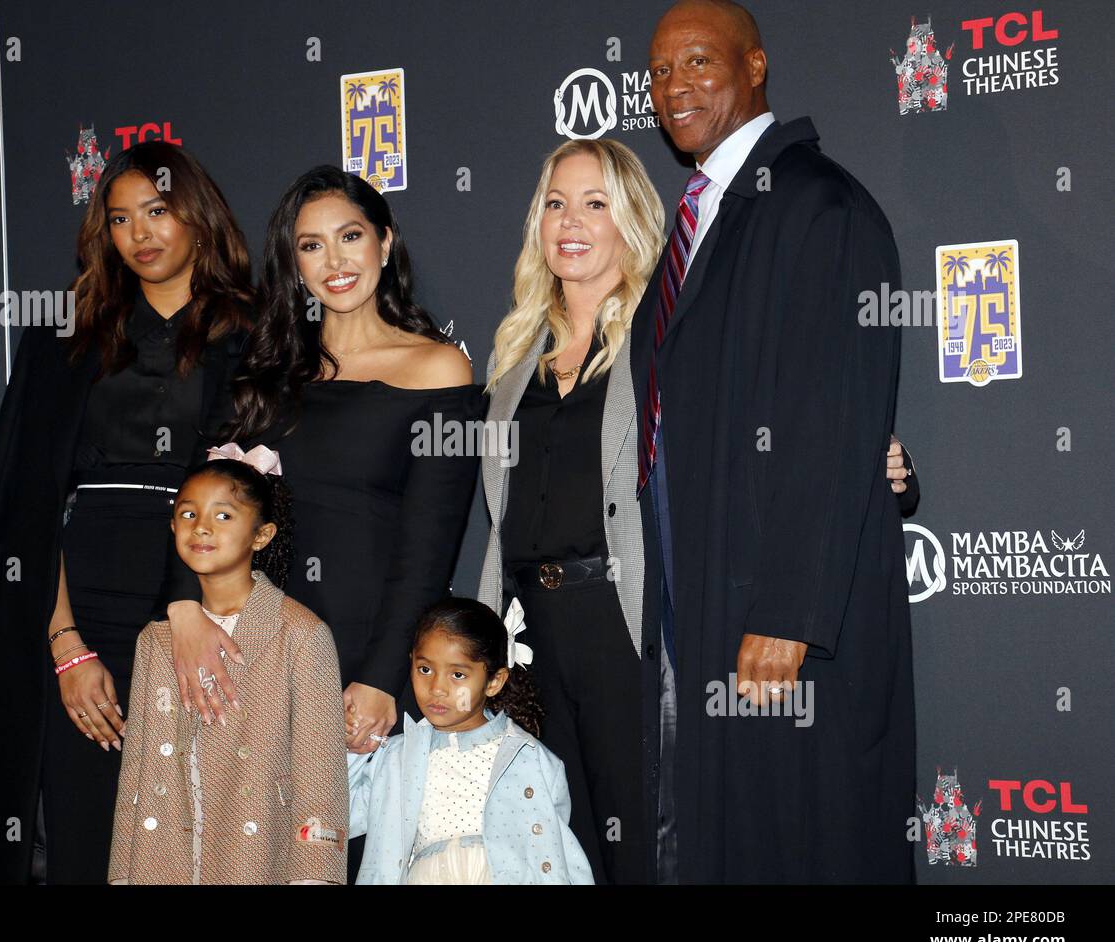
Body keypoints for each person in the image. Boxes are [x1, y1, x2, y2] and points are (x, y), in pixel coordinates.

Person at [478, 138, 920, 884]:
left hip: (630, 630)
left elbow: (782, 434)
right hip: (537, 646)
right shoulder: (512, 364)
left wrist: (881, 471)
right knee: (558, 846)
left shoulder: (670, 346)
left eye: (595, 203)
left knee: (650, 852)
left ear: (631, 221)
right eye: (555, 203)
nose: (570, 221)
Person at [634, 0, 916, 882]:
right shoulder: (704, 220)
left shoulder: (816, 206)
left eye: (698, 62)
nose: (674, 86)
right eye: (659, 70)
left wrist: (788, 615)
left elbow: (831, 418)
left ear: (755, 66)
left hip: (783, 625)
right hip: (706, 609)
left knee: (808, 841)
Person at [0, 142, 254, 884]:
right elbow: (29, 505)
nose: (140, 233)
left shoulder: (252, 338)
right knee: (86, 843)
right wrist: (67, 646)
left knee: (200, 851)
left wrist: (187, 610)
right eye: (120, 219)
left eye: (157, 211)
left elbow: (263, 492)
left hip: (212, 617)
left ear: (199, 220)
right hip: (82, 611)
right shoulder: (66, 337)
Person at [161, 165, 480, 755]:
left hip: (361, 651)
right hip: (247, 651)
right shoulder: (259, 370)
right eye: (312, 245)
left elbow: (429, 544)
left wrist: (383, 675)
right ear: (294, 263)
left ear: (385, 241)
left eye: (350, 236)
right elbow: (196, 500)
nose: (335, 261)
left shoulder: (437, 370)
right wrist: (183, 610)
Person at [109, 451, 347, 885]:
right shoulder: (155, 640)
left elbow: (320, 771)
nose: (202, 526)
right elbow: (137, 770)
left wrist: (316, 875)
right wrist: (123, 872)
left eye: (223, 515)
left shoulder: (301, 634)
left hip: (255, 857)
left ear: (262, 535)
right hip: (163, 859)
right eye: (188, 513)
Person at [347, 597, 593, 884]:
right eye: (425, 669)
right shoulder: (395, 757)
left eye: (458, 674)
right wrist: (357, 749)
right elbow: (343, 816)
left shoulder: (530, 758)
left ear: (494, 681)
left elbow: (560, 851)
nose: (437, 688)